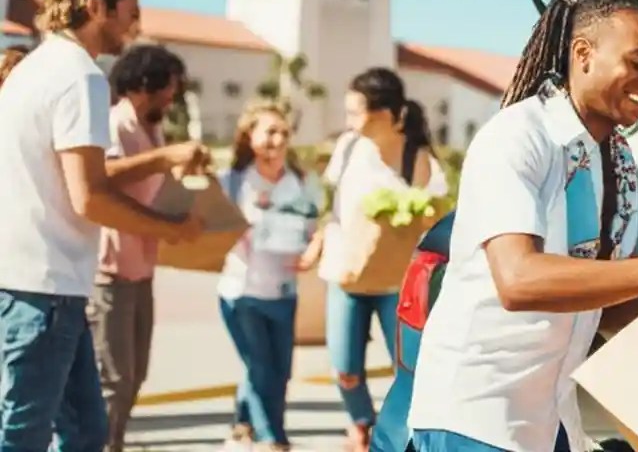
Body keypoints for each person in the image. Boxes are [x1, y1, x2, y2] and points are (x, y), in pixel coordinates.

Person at [406, 0, 638, 452]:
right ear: (583, 54)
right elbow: (519, 280)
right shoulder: (517, 137)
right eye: (637, 63)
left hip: (550, 419)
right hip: (475, 416)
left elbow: (603, 295)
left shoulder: (619, 161)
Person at [0, 0, 202, 452]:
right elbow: (89, 195)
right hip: (45, 290)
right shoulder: (80, 76)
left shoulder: (32, 68)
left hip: (39, 286)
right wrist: (168, 228)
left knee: (87, 433)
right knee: (22, 437)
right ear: (96, 7)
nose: (136, 26)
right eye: (130, 13)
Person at [302, 67, 447, 450]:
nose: (348, 121)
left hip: (395, 282)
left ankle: (393, 435)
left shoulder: (417, 156)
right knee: (345, 369)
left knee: (408, 368)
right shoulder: (348, 147)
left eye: (355, 112)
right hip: (346, 274)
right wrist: (317, 241)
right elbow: (331, 204)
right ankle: (361, 420)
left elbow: (436, 217)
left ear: (384, 113)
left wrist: (408, 210)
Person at [91, 43, 208, 452]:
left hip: (142, 268)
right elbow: (102, 177)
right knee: (113, 379)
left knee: (135, 375)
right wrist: (164, 158)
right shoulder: (114, 123)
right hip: (110, 272)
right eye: (169, 88)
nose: (172, 97)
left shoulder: (151, 127)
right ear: (145, 84)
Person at [218, 102, 322, 452]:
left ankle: (242, 424)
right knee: (262, 368)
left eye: (283, 133)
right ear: (250, 137)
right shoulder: (232, 182)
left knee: (279, 371)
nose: (277, 140)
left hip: (284, 291)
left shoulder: (302, 182)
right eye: (269, 132)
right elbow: (206, 224)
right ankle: (272, 439)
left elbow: (319, 226)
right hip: (241, 290)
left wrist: (313, 252)